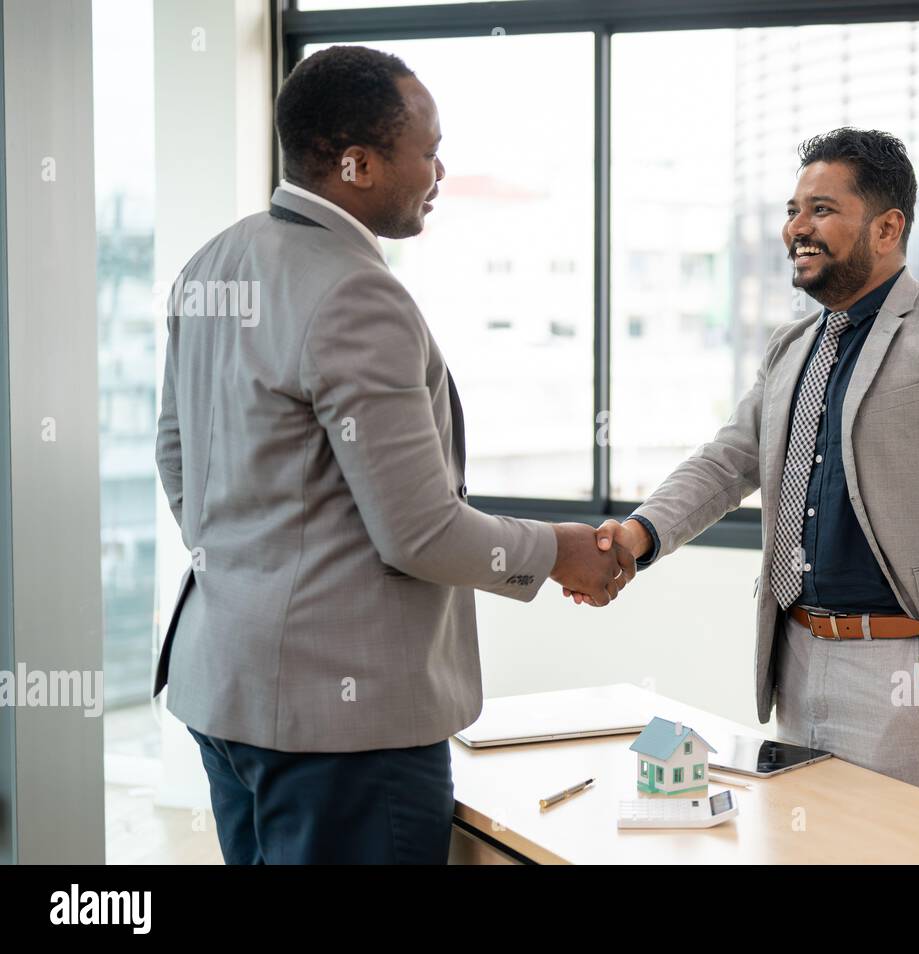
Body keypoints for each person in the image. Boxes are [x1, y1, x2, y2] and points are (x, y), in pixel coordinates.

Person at [153, 45, 633, 863]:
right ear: (359, 164)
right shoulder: (355, 293)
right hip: (342, 728)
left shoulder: (215, 262)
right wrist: (561, 553)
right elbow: (417, 532)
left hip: (226, 692)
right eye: (428, 149)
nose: (440, 170)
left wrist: (258, 563)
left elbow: (176, 457)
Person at [580, 128, 919, 803]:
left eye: (821, 210)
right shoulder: (792, 345)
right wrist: (637, 534)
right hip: (796, 663)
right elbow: (727, 461)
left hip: (908, 666)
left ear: (887, 228)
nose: (796, 228)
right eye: (792, 210)